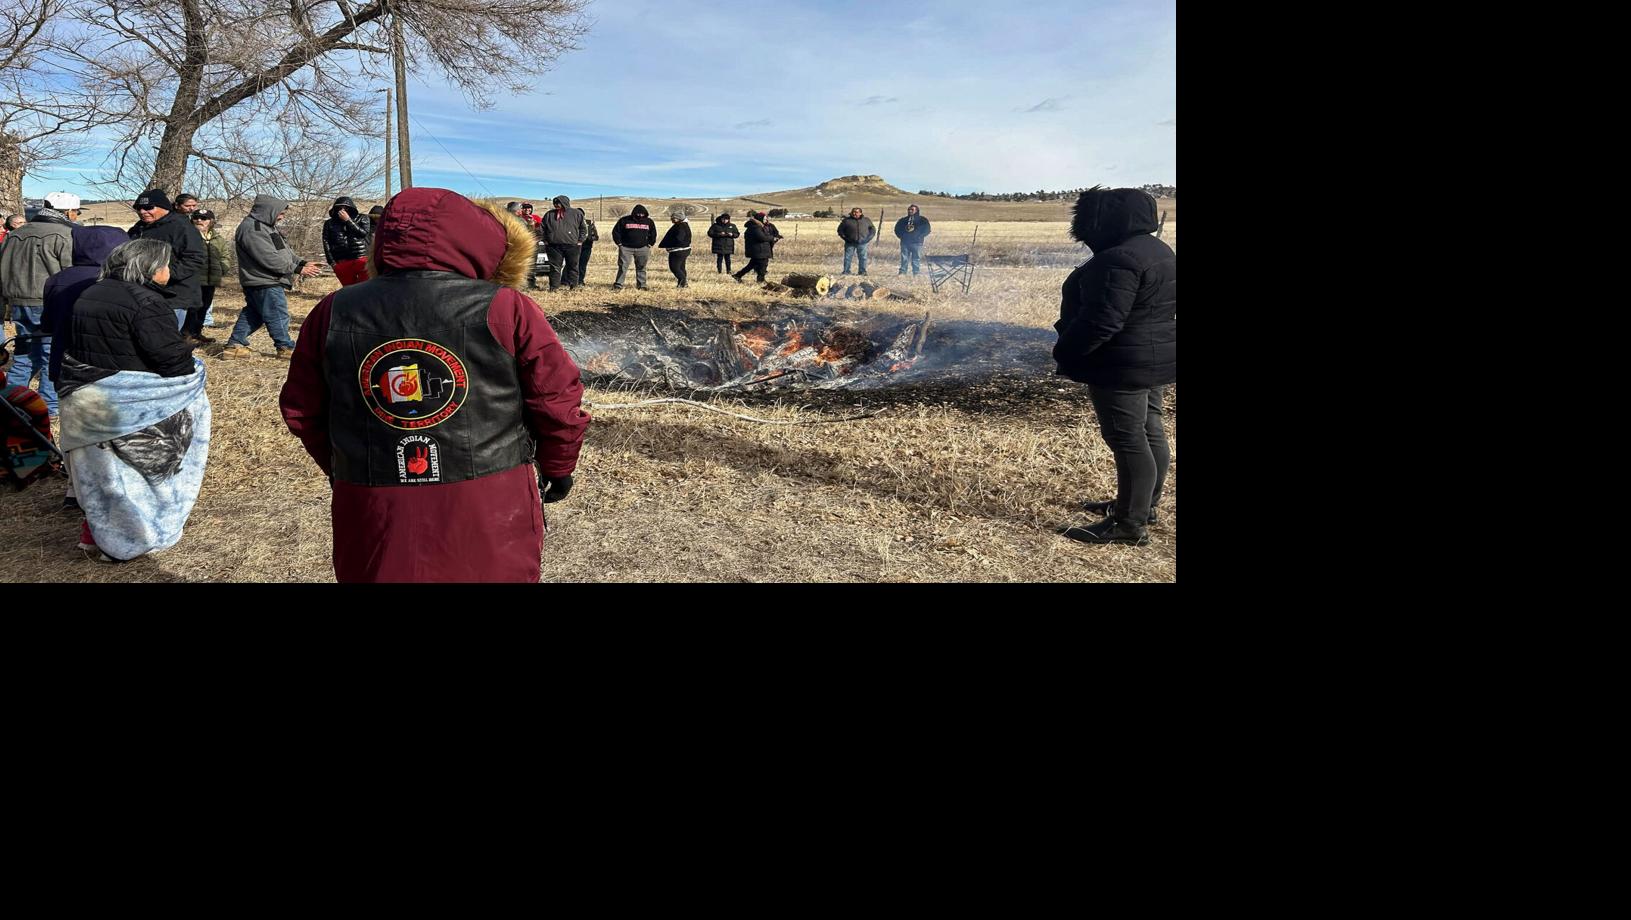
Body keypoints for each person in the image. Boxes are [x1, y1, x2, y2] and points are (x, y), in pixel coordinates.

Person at [279, 187, 591, 583]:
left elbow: (302, 408)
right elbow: (557, 397)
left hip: (372, 498)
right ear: (477, 238)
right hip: (489, 496)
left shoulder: (335, 309)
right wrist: (559, 464)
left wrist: (345, 465)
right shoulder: (506, 306)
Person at [56, 238, 211, 563]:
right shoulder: (146, 303)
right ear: (151, 269)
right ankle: (127, 540)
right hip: (131, 407)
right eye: (166, 264)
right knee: (133, 476)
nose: (169, 271)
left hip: (90, 400)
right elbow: (170, 360)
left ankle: (93, 535)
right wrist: (190, 354)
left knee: (103, 476)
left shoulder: (91, 294)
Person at [1054, 187, 1176, 546]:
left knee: (1127, 438)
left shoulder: (1117, 259)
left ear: (1104, 220)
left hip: (1121, 363)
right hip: (1154, 357)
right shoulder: (1158, 250)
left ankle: (1128, 525)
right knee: (1150, 430)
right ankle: (1143, 505)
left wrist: (1067, 350)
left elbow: (1102, 321)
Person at [1, 190, 80, 415]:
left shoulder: (16, 233)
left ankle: (11, 401)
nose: (75, 216)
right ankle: (48, 406)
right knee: (50, 354)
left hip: (17, 300)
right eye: (75, 212)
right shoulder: (65, 234)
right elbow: (70, 270)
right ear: (67, 212)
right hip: (48, 301)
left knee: (24, 352)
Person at [224, 194, 323, 360]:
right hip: (264, 280)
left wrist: (302, 262)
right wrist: (297, 269)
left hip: (266, 280)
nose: (282, 216)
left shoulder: (267, 227)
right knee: (278, 313)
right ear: (268, 211)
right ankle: (285, 347)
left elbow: (284, 251)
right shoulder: (252, 229)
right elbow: (268, 258)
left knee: (254, 314)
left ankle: (234, 345)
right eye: (281, 213)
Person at [126, 188, 206, 331]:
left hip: (174, 294)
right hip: (143, 292)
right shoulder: (138, 229)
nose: (143, 211)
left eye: (149, 207)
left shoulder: (181, 226)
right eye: (139, 208)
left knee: (166, 337)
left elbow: (195, 257)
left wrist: (167, 275)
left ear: (164, 207)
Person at [188, 209, 230, 343]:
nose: (199, 221)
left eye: (203, 218)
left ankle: (197, 334)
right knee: (192, 308)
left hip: (211, 280)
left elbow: (225, 256)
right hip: (193, 280)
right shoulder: (188, 235)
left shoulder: (218, 238)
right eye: (196, 218)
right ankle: (187, 335)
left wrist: (222, 269)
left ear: (211, 221)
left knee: (204, 307)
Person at [322, 196, 373, 286]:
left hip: (361, 259)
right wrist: (332, 263)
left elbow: (363, 233)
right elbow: (326, 242)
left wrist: (348, 221)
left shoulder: (363, 218)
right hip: (341, 261)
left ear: (351, 208)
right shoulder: (329, 223)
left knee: (364, 288)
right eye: (339, 207)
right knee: (348, 290)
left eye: (345, 207)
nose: (342, 210)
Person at [541, 195, 587, 291]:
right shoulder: (549, 214)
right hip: (553, 246)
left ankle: (573, 286)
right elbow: (542, 228)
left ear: (565, 203)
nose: (556, 205)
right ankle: (554, 287)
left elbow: (583, 228)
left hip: (572, 245)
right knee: (555, 267)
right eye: (555, 203)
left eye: (559, 203)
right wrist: (545, 240)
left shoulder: (576, 213)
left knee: (573, 266)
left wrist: (580, 241)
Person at [611, 204, 657, 291]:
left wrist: (650, 244)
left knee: (641, 267)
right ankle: (618, 284)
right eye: (638, 213)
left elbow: (653, 233)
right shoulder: (624, 220)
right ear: (634, 213)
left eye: (642, 214)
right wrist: (619, 244)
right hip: (626, 248)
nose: (640, 215)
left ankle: (642, 285)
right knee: (623, 267)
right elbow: (616, 232)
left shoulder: (649, 222)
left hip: (643, 248)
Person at [732, 211, 781, 283]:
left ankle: (738, 275)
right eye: (764, 219)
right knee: (763, 265)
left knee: (751, 265)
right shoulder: (755, 227)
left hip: (759, 250)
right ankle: (760, 280)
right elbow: (762, 238)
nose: (765, 220)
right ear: (760, 219)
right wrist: (772, 238)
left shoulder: (757, 226)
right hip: (759, 250)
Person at [894, 204, 931, 275]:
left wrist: (920, 236)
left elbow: (927, 230)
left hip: (917, 243)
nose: (910, 211)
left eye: (912, 210)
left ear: (916, 211)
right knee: (904, 258)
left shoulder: (922, 220)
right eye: (909, 210)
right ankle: (902, 272)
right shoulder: (903, 220)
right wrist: (901, 236)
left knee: (916, 259)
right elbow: (897, 229)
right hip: (905, 243)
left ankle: (916, 272)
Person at [837, 207, 875, 275]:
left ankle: (862, 271)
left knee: (863, 258)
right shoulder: (847, 220)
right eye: (853, 212)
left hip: (862, 242)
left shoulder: (866, 220)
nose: (855, 213)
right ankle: (846, 271)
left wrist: (868, 238)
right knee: (848, 257)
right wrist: (846, 238)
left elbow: (872, 229)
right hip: (850, 243)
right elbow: (840, 230)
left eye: (857, 212)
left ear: (860, 213)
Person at [658, 211, 691, 289]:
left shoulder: (680, 226)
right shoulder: (683, 225)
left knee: (674, 267)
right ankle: (682, 285)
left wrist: (670, 244)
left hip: (678, 250)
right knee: (681, 267)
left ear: (678, 219)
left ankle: (683, 281)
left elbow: (679, 239)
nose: (671, 219)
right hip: (684, 249)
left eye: (673, 218)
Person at [579, 214, 599, 284]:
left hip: (586, 247)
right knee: (572, 264)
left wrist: (593, 229)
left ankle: (580, 281)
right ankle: (565, 281)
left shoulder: (589, 224)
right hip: (574, 247)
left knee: (582, 265)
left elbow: (596, 238)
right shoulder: (571, 222)